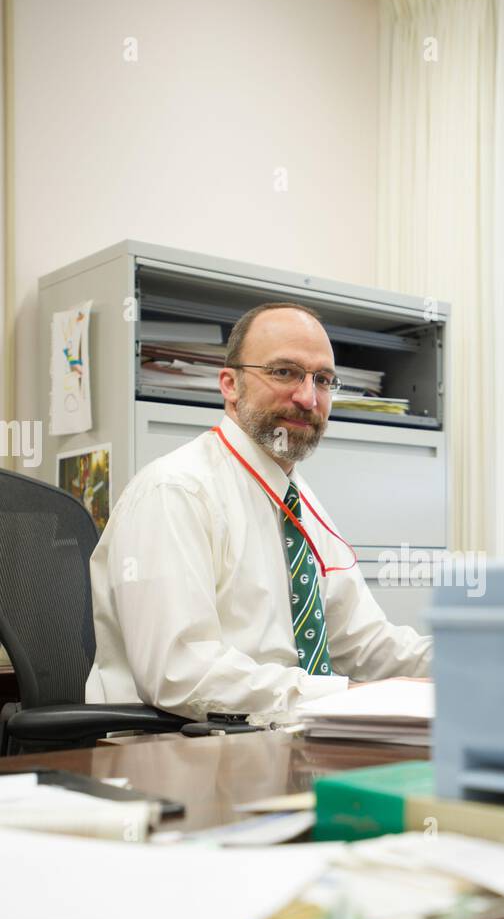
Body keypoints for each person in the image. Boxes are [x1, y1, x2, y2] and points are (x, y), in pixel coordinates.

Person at [85, 301, 431, 721]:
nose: (307, 397)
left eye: (323, 380)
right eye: (284, 372)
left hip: (278, 737)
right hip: (174, 750)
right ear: (230, 384)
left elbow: (365, 642)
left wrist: (477, 662)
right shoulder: (174, 492)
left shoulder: (299, 501)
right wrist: (346, 697)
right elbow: (181, 674)